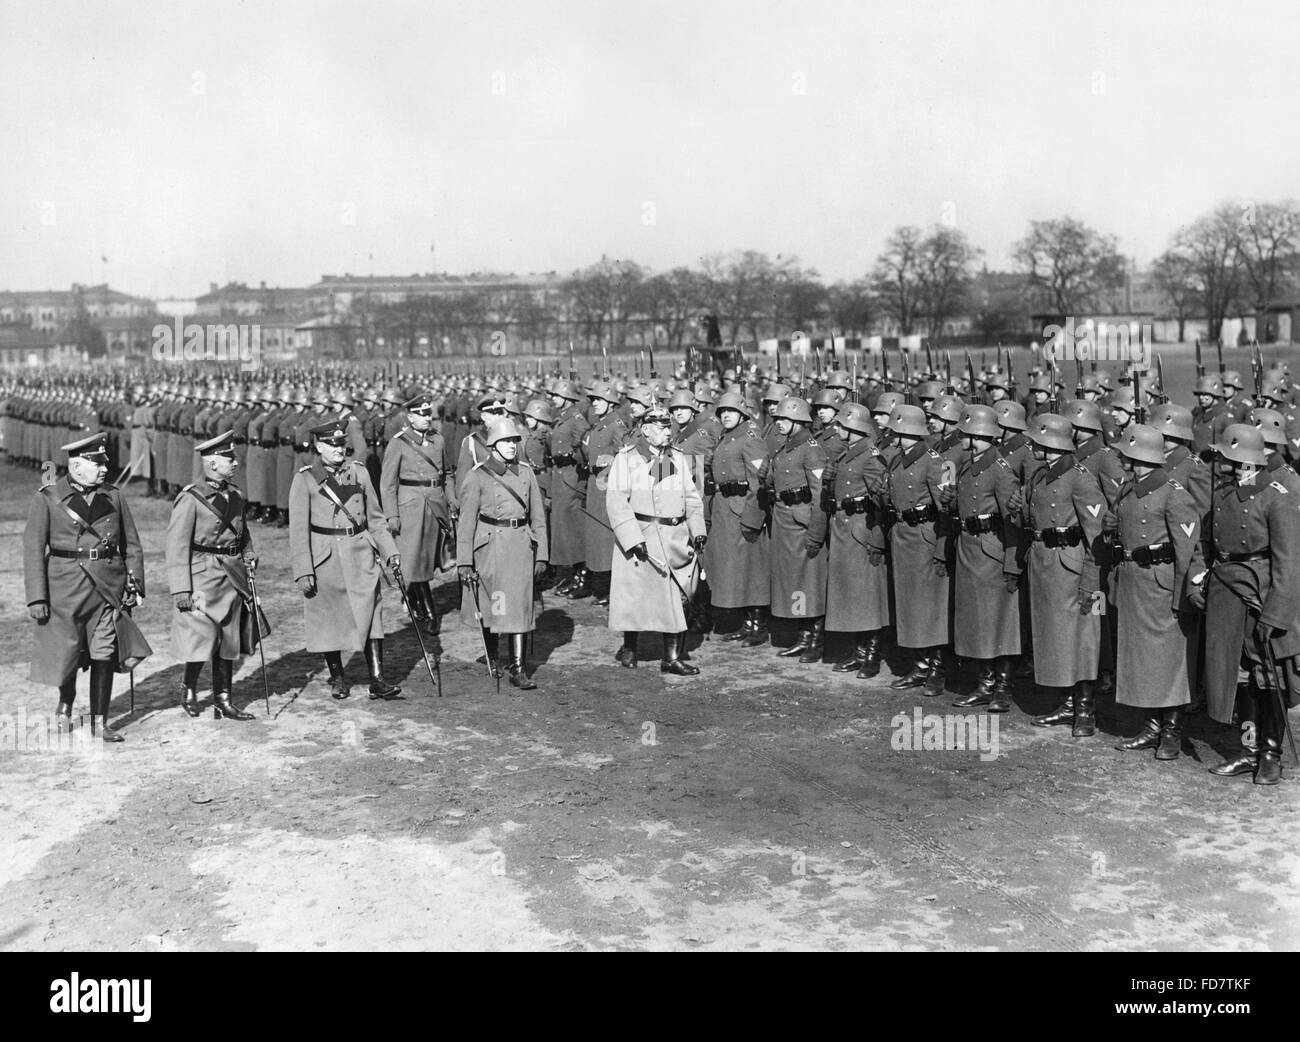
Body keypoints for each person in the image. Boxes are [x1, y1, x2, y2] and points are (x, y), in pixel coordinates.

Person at [23, 432, 148, 742]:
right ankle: (65, 703)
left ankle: (99, 721)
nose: (104, 469)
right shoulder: (48, 497)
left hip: (107, 585)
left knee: (104, 651)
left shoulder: (114, 496)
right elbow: (32, 548)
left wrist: (135, 582)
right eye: (97, 463)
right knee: (68, 648)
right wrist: (37, 596)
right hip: (64, 587)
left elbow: (131, 544)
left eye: (104, 463)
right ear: (77, 466)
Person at [1193, 425, 1299, 785]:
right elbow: (1208, 545)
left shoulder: (1277, 496)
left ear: (1246, 459)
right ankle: (1247, 749)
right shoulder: (1222, 493)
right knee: (1236, 674)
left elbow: (1289, 562)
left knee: (1266, 676)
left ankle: (1271, 754)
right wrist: (1200, 582)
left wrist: (1277, 612)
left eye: (1228, 456)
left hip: (1262, 593)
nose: (1222, 462)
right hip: (1227, 592)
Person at [289, 418, 402, 700]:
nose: (339, 449)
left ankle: (377, 679)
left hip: (360, 551)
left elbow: (375, 519)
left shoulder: (359, 473)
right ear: (318, 447)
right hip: (325, 556)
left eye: (341, 443)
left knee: (372, 613)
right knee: (330, 618)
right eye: (331, 444)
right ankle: (338, 677)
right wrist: (304, 570)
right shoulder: (305, 479)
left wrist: (391, 552)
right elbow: (298, 531)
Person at [1110, 426, 1201, 759]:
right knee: (1143, 659)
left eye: (1128, 456)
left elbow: (1188, 550)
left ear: (1141, 457)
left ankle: (1172, 732)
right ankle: (1151, 727)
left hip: (1163, 584)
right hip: (1134, 581)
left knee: (1170, 659)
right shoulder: (1127, 491)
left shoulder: (1173, 492)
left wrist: (1182, 597)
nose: (1123, 460)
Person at [1023, 414, 1109, 737]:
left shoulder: (1080, 477)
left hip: (1072, 567)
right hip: (1046, 566)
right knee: (1057, 639)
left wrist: (1090, 581)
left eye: (1036, 441)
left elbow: (1096, 535)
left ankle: (1085, 710)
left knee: (1082, 638)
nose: (1031, 445)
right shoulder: (1041, 476)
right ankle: (1067, 704)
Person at [166, 430, 260, 720]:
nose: (235, 463)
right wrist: (181, 589)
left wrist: (249, 555)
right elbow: (177, 545)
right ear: (212, 463)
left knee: (229, 638)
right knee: (200, 634)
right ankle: (190, 687)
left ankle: (223, 699)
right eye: (228, 458)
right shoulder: (191, 499)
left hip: (231, 575)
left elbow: (242, 532)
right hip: (201, 574)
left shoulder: (235, 496)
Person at [605, 405, 706, 674]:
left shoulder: (678, 458)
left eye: (668, 426)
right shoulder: (626, 459)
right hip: (642, 537)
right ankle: (630, 647)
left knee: (676, 597)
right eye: (660, 427)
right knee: (634, 597)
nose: (666, 431)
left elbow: (693, 499)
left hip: (675, 538)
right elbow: (616, 502)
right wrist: (631, 538)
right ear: (646, 430)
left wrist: (698, 531)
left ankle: (670, 658)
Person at [456, 416, 549, 689]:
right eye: (505, 441)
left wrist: (542, 553)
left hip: (520, 544)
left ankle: (518, 668)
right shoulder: (478, 475)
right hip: (491, 547)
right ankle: (494, 655)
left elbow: (538, 517)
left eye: (514, 441)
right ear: (493, 445)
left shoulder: (526, 472)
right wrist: (464, 561)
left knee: (519, 605)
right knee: (493, 605)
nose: (511, 446)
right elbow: (466, 522)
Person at [948, 405, 1024, 712]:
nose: (962, 438)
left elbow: (1013, 522)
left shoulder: (1000, 470)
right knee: (976, 620)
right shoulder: (969, 465)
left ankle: (1001, 687)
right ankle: (985, 681)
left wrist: (1012, 565)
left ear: (979, 436)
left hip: (990, 551)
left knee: (999, 622)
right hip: (969, 548)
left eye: (966, 433)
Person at [809, 402, 890, 679]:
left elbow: (881, 501)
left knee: (866, 596)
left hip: (861, 530)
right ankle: (858, 652)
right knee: (852, 594)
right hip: (844, 528)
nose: (837, 428)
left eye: (842, 425)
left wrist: (876, 541)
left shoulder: (869, 454)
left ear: (854, 427)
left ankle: (872, 655)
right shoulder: (849, 453)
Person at [884, 404, 951, 692]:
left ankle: (937, 668)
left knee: (931, 606)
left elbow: (947, 510)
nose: (891, 434)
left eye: (895, 430)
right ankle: (920, 664)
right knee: (910, 603)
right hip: (903, 537)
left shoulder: (933, 460)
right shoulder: (898, 460)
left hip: (926, 537)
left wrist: (941, 550)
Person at [765, 396, 830, 661]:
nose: (778, 423)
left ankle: (815, 638)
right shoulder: (787, 445)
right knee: (795, 580)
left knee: (807, 581)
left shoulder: (811, 448)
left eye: (784, 419)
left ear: (798, 421)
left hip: (802, 522)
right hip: (785, 520)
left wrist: (816, 532)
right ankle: (803, 635)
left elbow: (819, 495)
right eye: (777, 419)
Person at [380, 392, 450, 632]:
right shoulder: (398, 443)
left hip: (435, 505)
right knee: (414, 559)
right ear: (409, 417)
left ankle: (413, 598)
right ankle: (430, 613)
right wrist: (392, 515)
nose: (426, 419)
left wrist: (451, 501)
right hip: (409, 507)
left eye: (428, 414)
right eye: (421, 415)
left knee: (427, 559)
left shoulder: (438, 440)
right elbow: (387, 484)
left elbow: (446, 474)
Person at [706, 391, 772, 646]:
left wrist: (753, 518)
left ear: (742, 413)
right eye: (722, 412)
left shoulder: (751, 439)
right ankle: (746, 622)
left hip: (743, 508)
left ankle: (758, 624)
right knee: (735, 570)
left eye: (731, 412)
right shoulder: (727, 437)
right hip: (725, 509)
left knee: (752, 569)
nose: (726, 416)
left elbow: (758, 483)